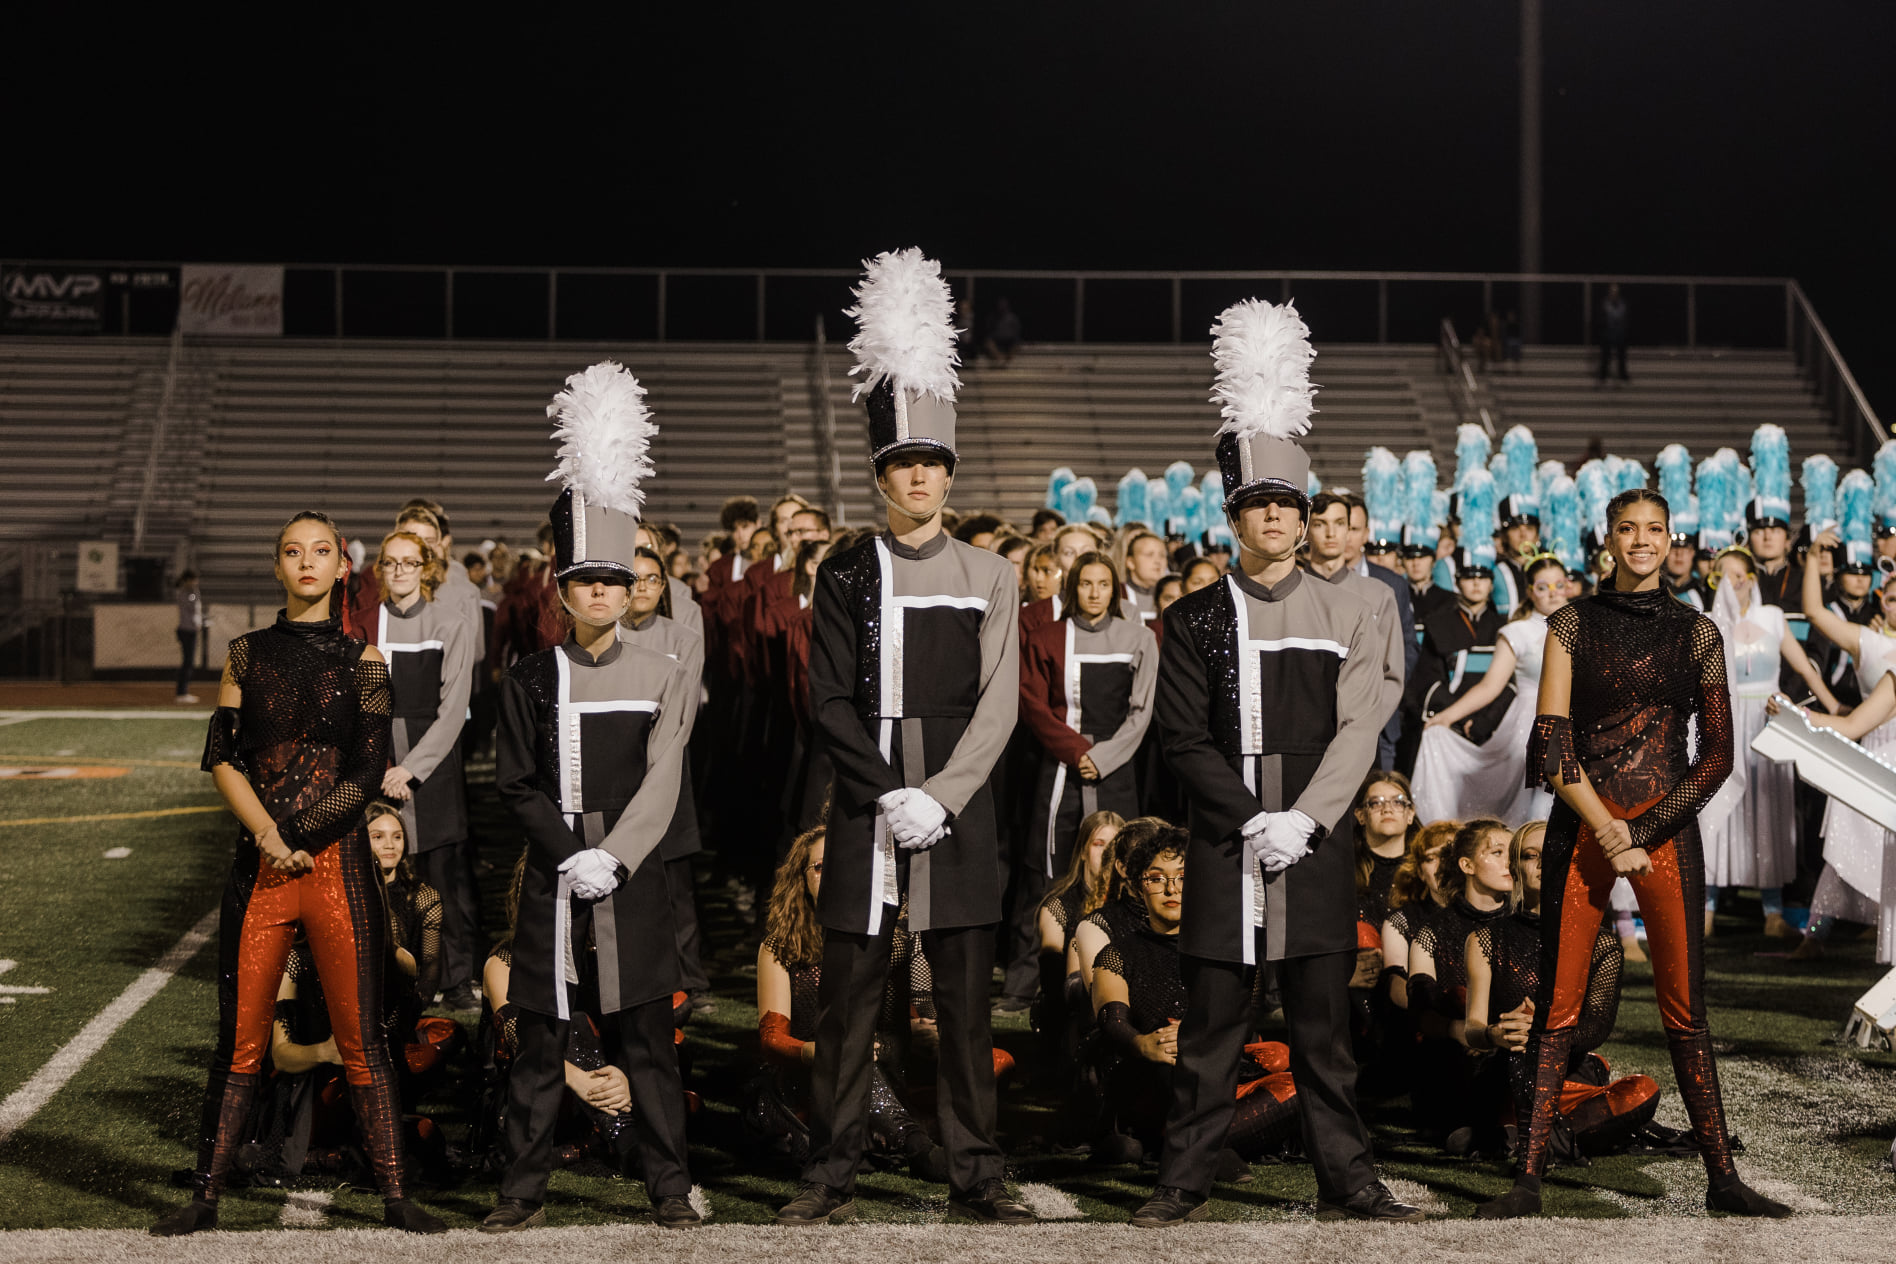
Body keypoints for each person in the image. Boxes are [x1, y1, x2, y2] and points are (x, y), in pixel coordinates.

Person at [1132, 299, 1418, 1228]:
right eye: (1258, 504)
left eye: (1288, 505)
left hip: (1318, 839)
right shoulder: (1194, 616)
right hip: (1227, 841)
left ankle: (1352, 1182)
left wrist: (1307, 819)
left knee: (1323, 1035)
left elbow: (1361, 724)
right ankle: (1184, 1179)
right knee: (1213, 1027)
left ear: (1306, 518)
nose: (1275, 519)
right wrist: (1253, 816)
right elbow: (1180, 737)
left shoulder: (1355, 609)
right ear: (1234, 517)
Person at [778, 250, 1031, 1227]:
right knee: (849, 1011)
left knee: (964, 1012)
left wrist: (944, 795)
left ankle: (977, 1175)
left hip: (959, 818)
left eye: (930, 462)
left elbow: (999, 703)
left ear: (947, 470)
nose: (917, 475)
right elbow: (828, 698)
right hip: (865, 810)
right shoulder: (846, 570)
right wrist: (890, 791)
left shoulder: (990, 573)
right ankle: (831, 1173)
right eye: (902, 463)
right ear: (882, 472)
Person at [1480, 486, 1789, 1219]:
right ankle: (1529, 1178)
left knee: (1686, 1010)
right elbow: (1551, 742)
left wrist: (1642, 833)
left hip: (1665, 836)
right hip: (1582, 828)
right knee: (1556, 1005)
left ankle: (1723, 1179)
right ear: (1608, 538)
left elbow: (1715, 757)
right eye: (1628, 528)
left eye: (1655, 529)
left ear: (1671, 538)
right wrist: (1608, 828)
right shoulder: (1571, 622)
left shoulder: (1698, 632)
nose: (1642, 540)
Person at [153, 511, 445, 1237]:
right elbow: (222, 756)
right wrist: (266, 837)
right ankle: (205, 1196)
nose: (307, 562)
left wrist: (292, 835)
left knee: (362, 1038)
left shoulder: (367, 660)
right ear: (277, 566)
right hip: (263, 871)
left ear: (343, 566)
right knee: (241, 1038)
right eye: (293, 551)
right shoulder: (244, 654)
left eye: (321, 552)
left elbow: (367, 770)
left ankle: (395, 1195)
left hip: (338, 871)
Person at [483, 361, 700, 1232]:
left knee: (648, 1044)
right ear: (562, 588)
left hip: (635, 874)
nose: (602, 591)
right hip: (553, 876)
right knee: (540, 1042)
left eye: (615, 579)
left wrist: (615, 856)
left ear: (631, 585)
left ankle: (671, 1189)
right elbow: (514, 780)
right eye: (586, 581)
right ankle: (520, 1193)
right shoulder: (529, 676)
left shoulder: (666, 668)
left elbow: (666, 773)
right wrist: (569, 853)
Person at [1092, 825, 1301, 1166]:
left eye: (1182, 876)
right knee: (1173, 1068)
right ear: (1137, 885)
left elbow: (1245, 1019)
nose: (1171, 888)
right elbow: (1112, 1020)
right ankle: (1204, 1146)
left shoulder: (1231, 949)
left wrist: (1197, 1036)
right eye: (1156, 878)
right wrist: (1144, 1044)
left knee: (1302, 1086)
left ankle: (1181, 1146)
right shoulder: (1119, 954)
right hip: (1154, 1073)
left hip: (1216, 1071)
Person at [751, 825, 950, 1177]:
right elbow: (771, 1041)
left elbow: (907, 1022)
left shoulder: (892, 937)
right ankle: (918, 1148)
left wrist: (912, 1035)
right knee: (849, 1063)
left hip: (882, 1067)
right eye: (819, 867)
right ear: (802, 878)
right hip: (804, 1077)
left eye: (841, 864)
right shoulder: (780, 946)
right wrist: (819, 1051)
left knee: (991, 1062)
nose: (830, 876)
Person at [1007, 551, 1157, 1007]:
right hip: (1060, 768)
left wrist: (1104, 756)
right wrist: (1076, 752)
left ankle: (1124, 975)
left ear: (1116, 590)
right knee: (1049, 871)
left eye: (1103, 584)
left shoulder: (1140, 638)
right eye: (1086, 583)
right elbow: (1032, 702)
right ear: (1073, 588)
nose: (1095, 593)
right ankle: (1030, 983)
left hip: (1116, 767)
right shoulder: (1047, 636)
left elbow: (1142, 710)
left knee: (1125, 866)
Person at [1465, 821, 1662, 1158]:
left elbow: (1595, 1028)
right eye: (1531, 856)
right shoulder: (1485, 939)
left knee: (1642, 1090)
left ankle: (1528, 1137)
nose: (1543, 863)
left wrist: (1540, 1030)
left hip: (1569, 1079)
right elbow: (1473, 1029)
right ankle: (1549, 1135)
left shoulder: (1600, 943)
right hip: (1509, 1075)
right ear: (1514, 868)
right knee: (1509, 1083)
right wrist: (1497, 1034)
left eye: (1555, 854)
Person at [366, 528, 479, 1009]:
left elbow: (453, 710)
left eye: (409, 563)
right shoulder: (366, 625)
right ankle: (386, 977)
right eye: (390, 563)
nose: (399, 572)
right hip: (376, 761)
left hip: (431, 768)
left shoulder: (449, 622)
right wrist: (382, 765)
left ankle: (455, 980)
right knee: (379, 874)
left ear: (426, 568)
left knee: (442, 877)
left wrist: (411, 769)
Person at [1701, 546, 1837, 937]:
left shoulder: (1772, 617)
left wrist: (1834, 707)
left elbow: (1804, 669)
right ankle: (1706, 908)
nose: (1731, 582)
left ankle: (1772, 910)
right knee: (1718, 808)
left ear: (1750, 579)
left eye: (1737, 574)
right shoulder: (1710, 621)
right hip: (1725, 720)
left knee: (1769, 810)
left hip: (1766, 719)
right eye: (1721, 575)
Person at [1792, 530, 1896, 960]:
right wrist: (1815, 557)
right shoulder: (1867, 641)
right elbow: (1813, 612)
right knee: (1846, 844)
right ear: (1880, 600)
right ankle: (1816, 933)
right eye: (1891, 598)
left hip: (1868, 736)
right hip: (1873, 748)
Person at [620, 545, 712, 1007]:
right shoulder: (603, 632)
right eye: (635, 578)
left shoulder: (683, 638)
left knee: (677, 883)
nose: (644, 587)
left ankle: (691, 980)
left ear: (663, 586)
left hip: (670, 768)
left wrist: (656, 765)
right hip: (615, 773)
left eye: (653, 579)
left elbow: (685, 711)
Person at [1412, 554, 1566, 826]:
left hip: (1573, 721)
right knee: (1536, 807)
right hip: (1530, 722)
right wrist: (1445, 717)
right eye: (1543, 587)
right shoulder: (1517, 632)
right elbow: (1490, 686)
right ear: (1530, 592)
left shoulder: (1583, 625)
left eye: (1559, 585)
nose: (1553, 594)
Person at [1404, 818, 1514, 1148]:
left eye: (1514, 853)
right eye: (1497, 852)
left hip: (1514, 1050)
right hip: (1455, 1058)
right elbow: (1422, 1015)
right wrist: (1473, 1033)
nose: (1509, 862)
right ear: (1466, 864)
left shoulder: (1526, 924)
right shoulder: (1432, 932)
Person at [1306, 492, 1406, 770]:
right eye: (1320, 523)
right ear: (1304, 528)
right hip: (1300, 739)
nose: (1331, 533)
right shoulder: (1286, 591)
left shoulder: (1379, 594)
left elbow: (1392, 674)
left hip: (1360, 737)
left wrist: (1362, 731)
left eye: (1341, 524)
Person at [175, 569, 203, 703]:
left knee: (189, 662)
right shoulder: (185, 593)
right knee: (187, 662)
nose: (195, 582)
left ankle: (183, 691)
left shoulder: (192, 593)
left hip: (191, 630)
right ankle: (182, 692)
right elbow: (192, 606)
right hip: (186, 630)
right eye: (193, 580)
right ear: (187, 580)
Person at [1596, 283, 1629, 383]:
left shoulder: (1623, 304)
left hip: (1620, 333)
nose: (1614, 293)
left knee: (1622, 355)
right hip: (1608, 332)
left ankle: (1623, 374)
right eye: (1612, 291)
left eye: (1616, 291)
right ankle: (1603, 374)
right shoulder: (1604, 304)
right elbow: (1600, 319)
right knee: (1605, 355)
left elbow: (1626, 319)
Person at [984, 296, 1022, 365]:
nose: (1002, 307)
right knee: (989, 342)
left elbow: (1017, 330)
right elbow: (988, 330)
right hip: (997, 340)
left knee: (1016, 343)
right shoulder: (992, 318)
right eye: (1000, 305)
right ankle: (1000, 358)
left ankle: (1008, 360)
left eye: (1003, 305)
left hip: (1009, 340)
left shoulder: (1012, 318)